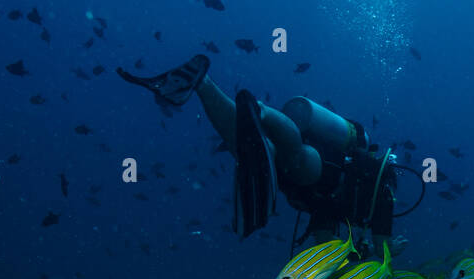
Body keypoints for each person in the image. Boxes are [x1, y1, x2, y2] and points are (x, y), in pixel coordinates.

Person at [118, 54, 405, 257]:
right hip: (325, 173)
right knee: (295, 158)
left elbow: (324, 245)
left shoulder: (342, 209)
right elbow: (383, 247)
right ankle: (261, 110)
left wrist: (348, 255)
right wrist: (390, 251)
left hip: (303, 185)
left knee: (252, 149)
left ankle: (204, 83)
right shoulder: (382, 194)